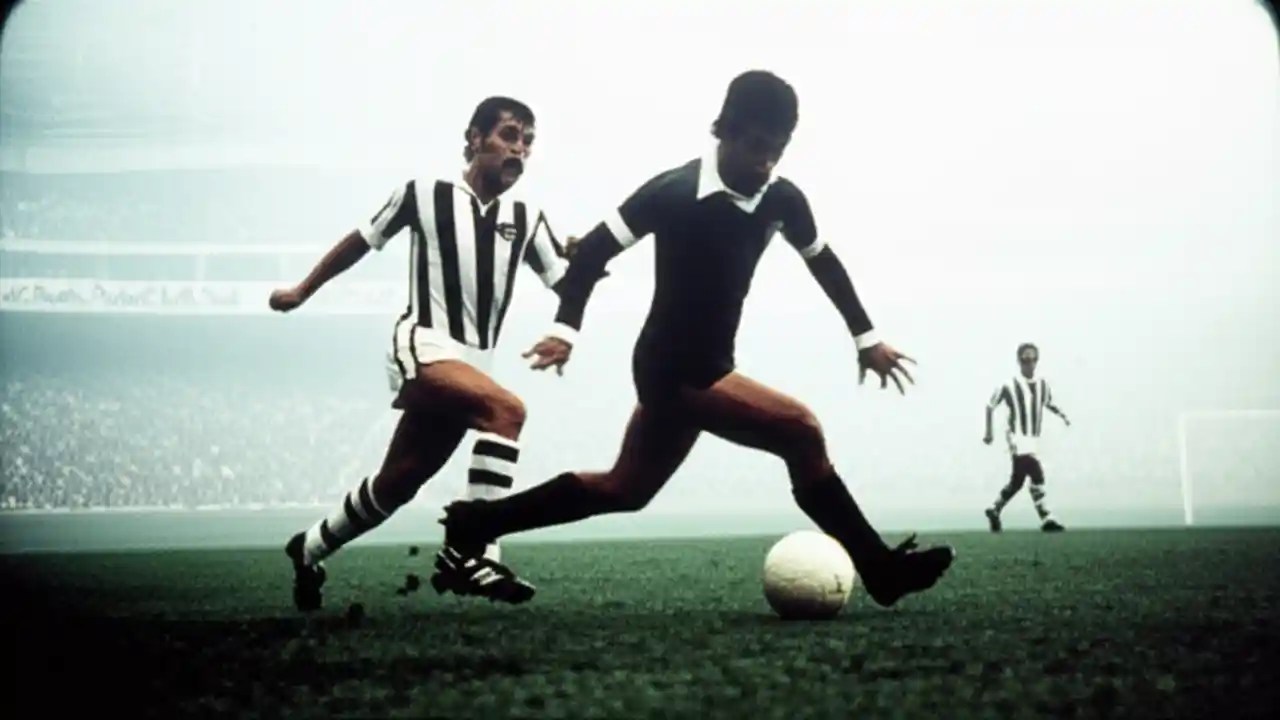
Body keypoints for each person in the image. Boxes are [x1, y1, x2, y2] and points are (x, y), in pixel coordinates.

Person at [437, 70, 955, 608]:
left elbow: (821, 259)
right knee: (801, 431)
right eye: (756, 146)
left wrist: (866, 338)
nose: (766, 163)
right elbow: (591, 253)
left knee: (625, 488)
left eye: (777, 151)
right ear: (724, 131)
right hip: (671, 368)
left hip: (708, 365)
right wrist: (566, 329)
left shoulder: (782, 199)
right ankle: (880, 569)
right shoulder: (675, 192)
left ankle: (479, 522)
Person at [269, 96, 577, 610]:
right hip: (425, 343)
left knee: (397, 484)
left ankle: (309, 548)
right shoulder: (424, 194)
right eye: (508, 135)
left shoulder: (527, 218)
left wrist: (584, 279)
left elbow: (567, 283)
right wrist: (303, 289)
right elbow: (362, 240)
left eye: (528, 141)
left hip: (475, 365)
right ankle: (473, 552)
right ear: (474, 139)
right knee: (507, 412)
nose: (519, 149)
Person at [983, 342, 1071, 532]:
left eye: (1032, 360)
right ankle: (1046, 516)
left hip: (1033, 438)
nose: (1029, 364)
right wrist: (989, 432)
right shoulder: (1009, 385)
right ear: (1019, 361)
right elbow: (990, 406)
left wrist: (1063, 416)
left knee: (1018, 481)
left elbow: (1049, 402)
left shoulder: (1042, 385)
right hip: (1017, 437)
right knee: (1036, 473)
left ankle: (995, 509)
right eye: (1025, 360)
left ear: (1037, 361)